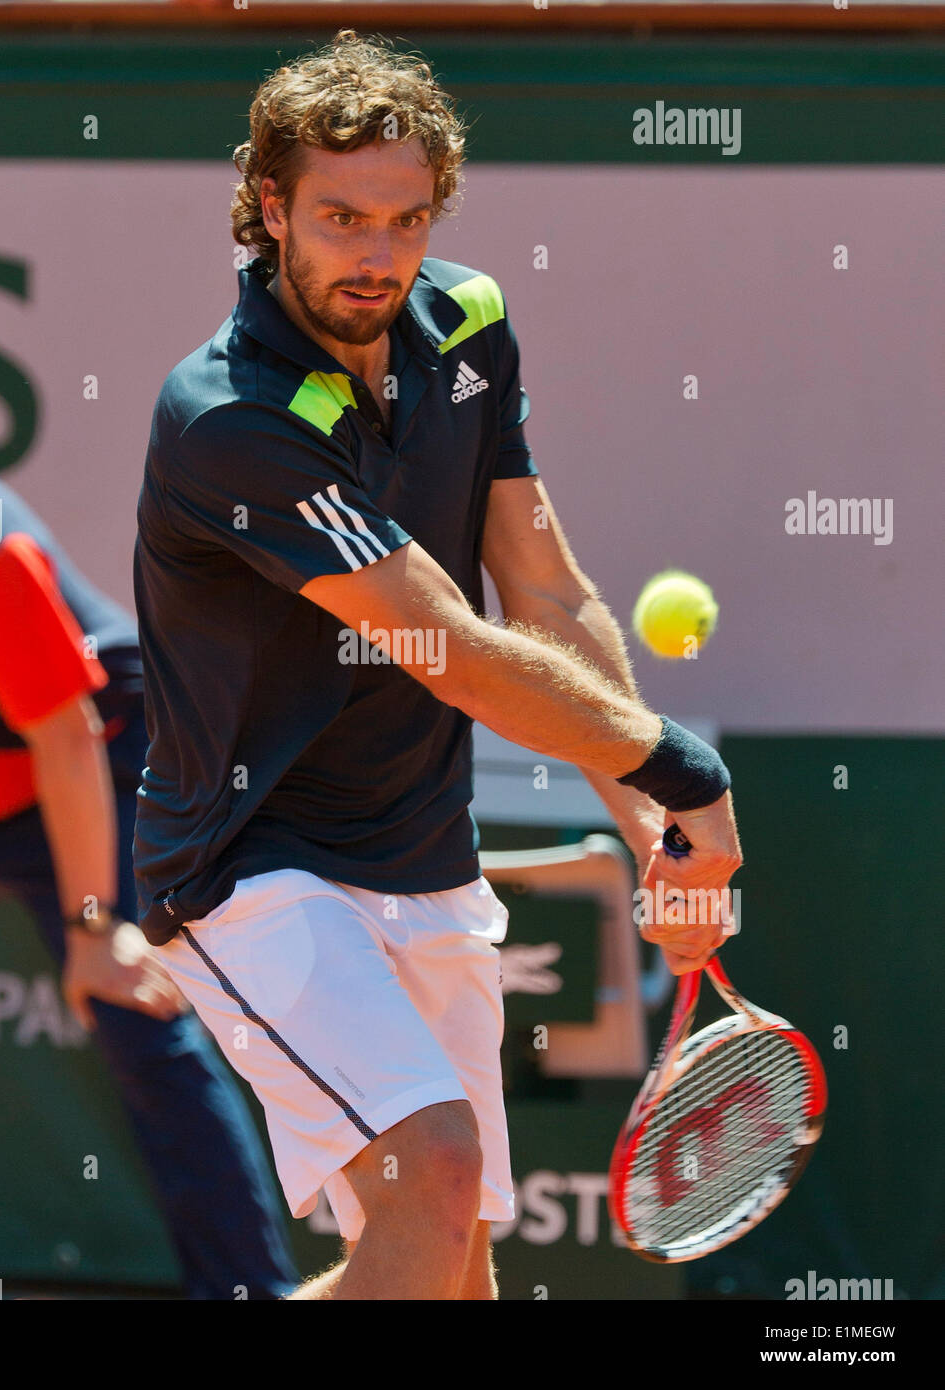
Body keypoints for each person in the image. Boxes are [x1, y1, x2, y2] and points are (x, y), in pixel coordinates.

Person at [133, 29, 743, 1301]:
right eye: (342, 218)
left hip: (421, 850)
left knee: (449, 1272)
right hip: (255, 866)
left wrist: (650, 830)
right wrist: (679, 769)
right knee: (436, 1166)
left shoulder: (463, 325)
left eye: (406, 220)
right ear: (269, 209)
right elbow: (450, 648)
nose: (377, 255)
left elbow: (543, 588)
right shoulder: (232, 417)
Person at [0, 349, 297, 1299]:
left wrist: (96, 928)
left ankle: (246, 1292)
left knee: (138, 1019)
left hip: (87, 774)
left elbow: (66, 738)